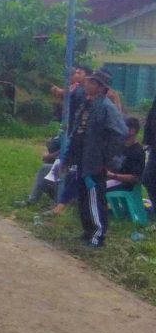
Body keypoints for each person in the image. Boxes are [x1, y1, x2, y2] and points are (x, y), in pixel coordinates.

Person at [69, 70, 127, 248]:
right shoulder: (88, 104)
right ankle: (88, 232)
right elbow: (79, 130)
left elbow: (120, 132)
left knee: (94, 198)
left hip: (95, 161)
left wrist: (107, 158)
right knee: (84, 198)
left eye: (92, 82)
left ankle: (97, 237)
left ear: (101, 88)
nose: (87, 84)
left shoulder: (106, 107)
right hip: (83, 159)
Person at [14, 135, 63, 207]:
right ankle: (56, 201)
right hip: (63, 162)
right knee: (48, 172)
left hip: (73, 165)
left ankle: (32, 200)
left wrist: (51, 156)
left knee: (45, 169)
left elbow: (71, 148)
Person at [105, 117, 144, 194]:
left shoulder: (138, 152)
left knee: (97, 188)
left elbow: (135, 178)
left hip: (126, 185)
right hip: (113, 181)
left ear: (132, 131)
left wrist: (112, 176)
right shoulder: (119, 146)